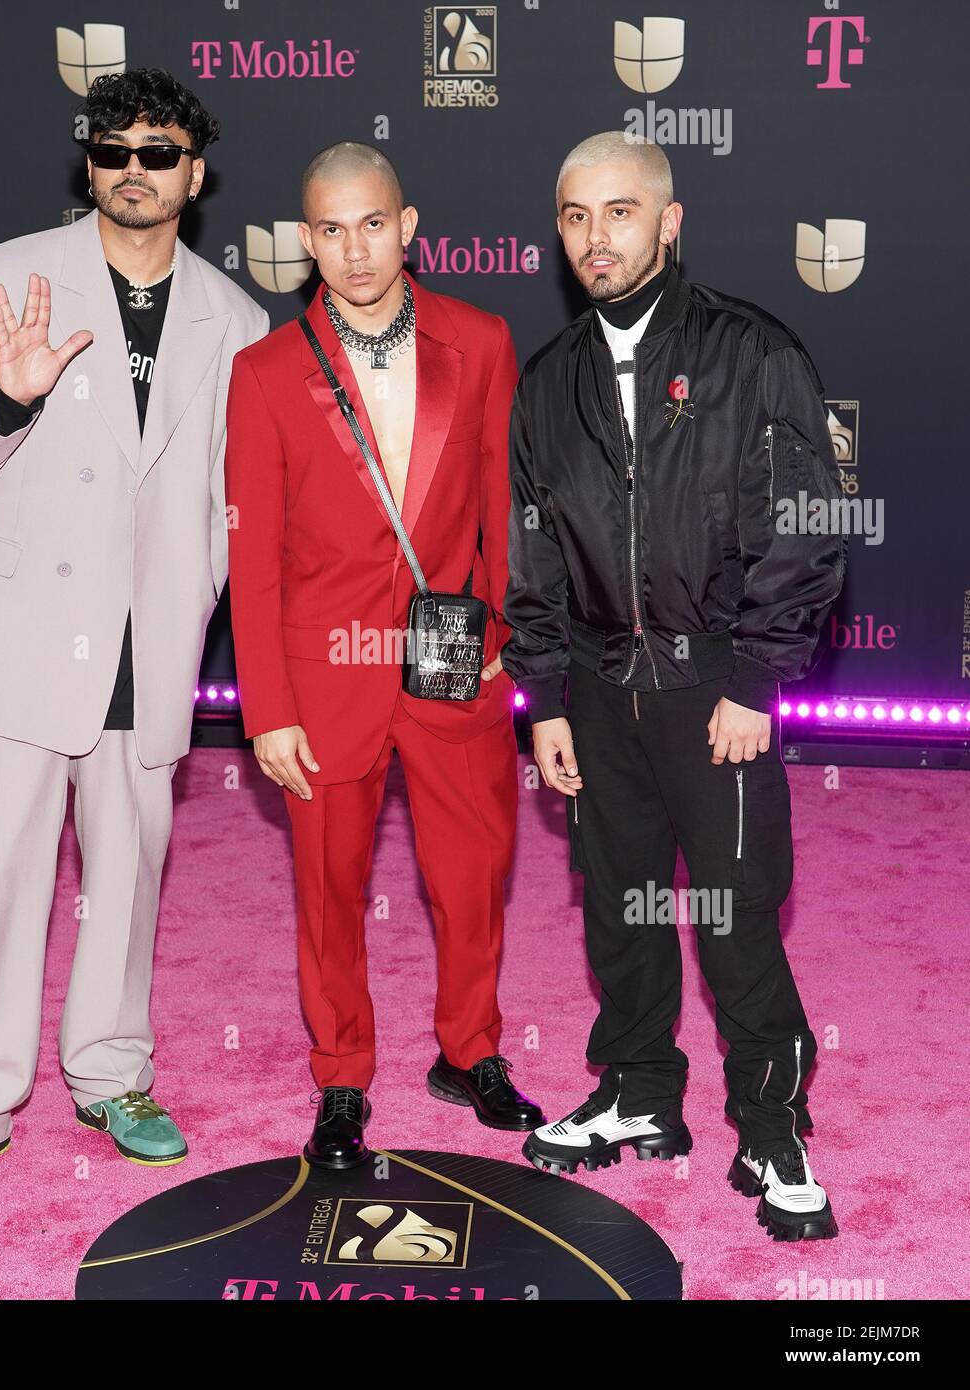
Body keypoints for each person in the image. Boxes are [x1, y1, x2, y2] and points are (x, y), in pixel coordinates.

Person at [0, 68, 268, 1206]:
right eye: (114, 152)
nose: (135, 172)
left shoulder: (239, 320)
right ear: (89, 166)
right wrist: (9, 402)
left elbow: (223, 501)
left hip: (144, 646)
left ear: (194, 175)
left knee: (128, 874)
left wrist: (198, 591)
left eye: (160, 154)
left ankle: (113, 1074)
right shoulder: (9, 278)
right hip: (16, 637)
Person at [503, 131, 845, 1241]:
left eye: (617, 212)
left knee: (735, 916)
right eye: (573, 216)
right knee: (622, 908)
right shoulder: (548, 380)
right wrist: (544, 694)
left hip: (716, 694)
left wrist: (754, 676)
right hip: (598, 694)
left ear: (668, 218)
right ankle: (640, 1093)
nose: (594, 236)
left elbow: (805, 529)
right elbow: (534, 550)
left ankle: (772, 1124)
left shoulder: (754, 353)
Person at [225, 142, 543, 1169]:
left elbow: (504, 506)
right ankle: (342, 1075)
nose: (354, 251)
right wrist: (266, 705)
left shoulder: (483, 339)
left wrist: (503, 637)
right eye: (330, 230)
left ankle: (470, 1052)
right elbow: (253, 549)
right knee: (327, 888)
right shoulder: (264, 372)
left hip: (456, 661)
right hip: (322, 680)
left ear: (409, 226)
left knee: (473, 873)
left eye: (373, 225)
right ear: (303, 241)